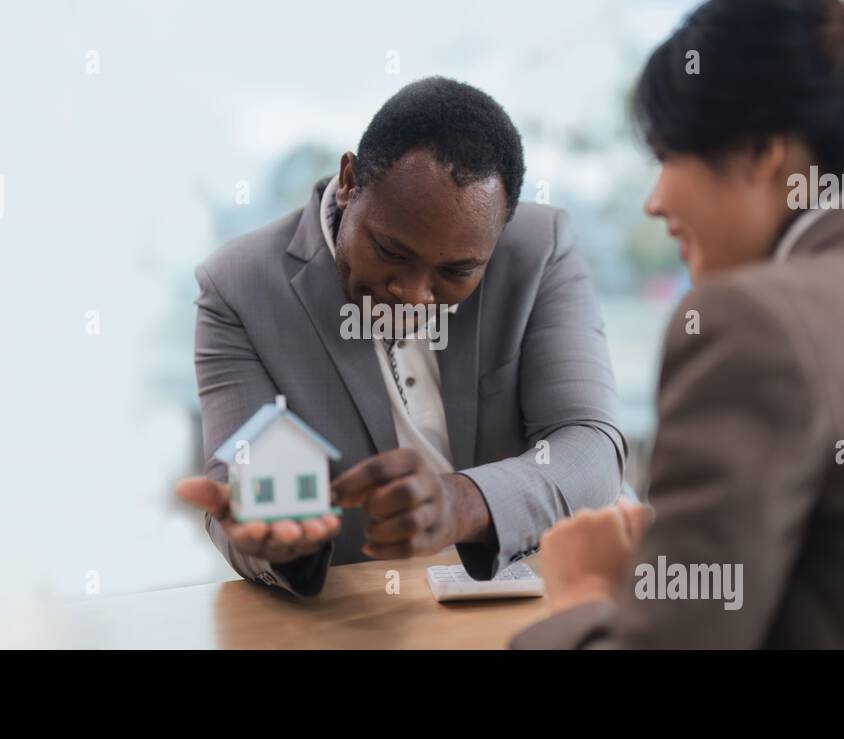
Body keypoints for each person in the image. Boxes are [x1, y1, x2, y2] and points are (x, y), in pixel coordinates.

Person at [515, 0, 844, 648]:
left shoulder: (755, 322)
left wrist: (582, 592)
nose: (655, 200)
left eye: (667, 155)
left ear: (765, 150)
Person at [178, 77, 628, 596]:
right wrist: (278, 539)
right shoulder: (238, 286)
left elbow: (591, 446)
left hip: (549, 590)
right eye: (391, 252)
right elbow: (235, 487)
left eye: (456, 272)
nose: (413, 296)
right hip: (370, 616)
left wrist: (462, 503)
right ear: (349, 182)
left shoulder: (541, 249)